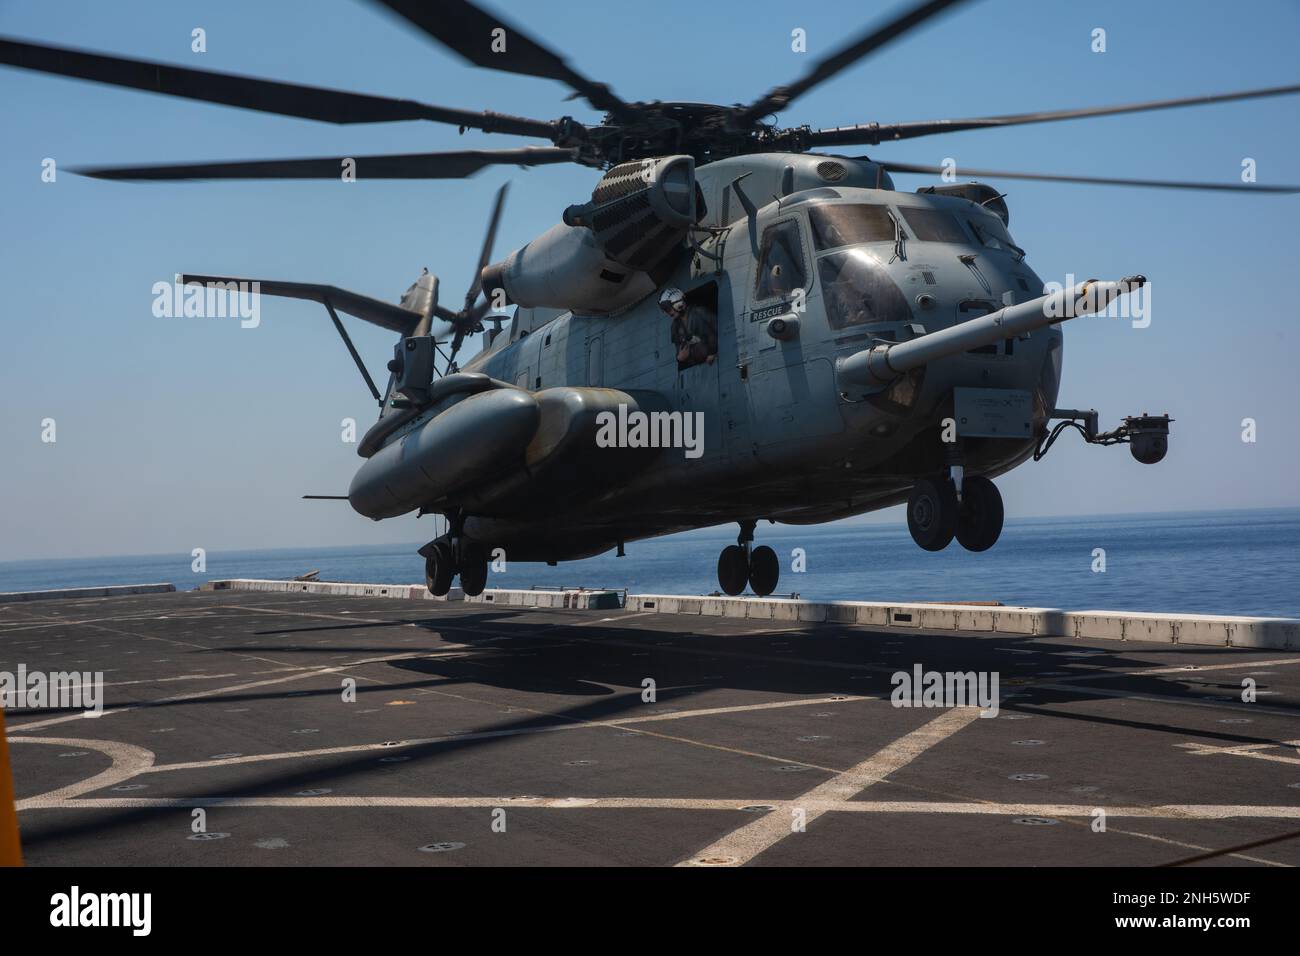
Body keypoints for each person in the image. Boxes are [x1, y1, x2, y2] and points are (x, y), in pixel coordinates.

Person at [659, 287, 717, 369]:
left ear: (678, 303)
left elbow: (716, 330)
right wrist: (680, 358)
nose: (667, 313)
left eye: (667, 308)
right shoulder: (675, 327)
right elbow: (678, 351)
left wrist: (712, 353)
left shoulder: (700, 312)